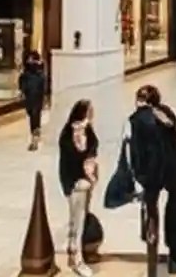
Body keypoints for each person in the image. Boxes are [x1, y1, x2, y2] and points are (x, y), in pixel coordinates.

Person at [129, 85, 176, 273]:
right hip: (172, 166)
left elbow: (135, 152)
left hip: (151, 171)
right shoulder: (166, 113)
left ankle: (152, 259)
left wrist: (138, 176)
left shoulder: (136, 120)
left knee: (151, 213)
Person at [58, 99, 99, 277]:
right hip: (75, 182)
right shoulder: (70, 133)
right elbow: (75, 155)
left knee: (81, 216)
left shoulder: (87, 130)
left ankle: (75, 254)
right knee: (77, 220)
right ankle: (76, 257)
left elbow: (93, 146)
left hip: (86, 181)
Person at [18, 51, 47, 151]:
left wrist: (44, 98)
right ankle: (35, 134)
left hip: (37, 98)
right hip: (29, 98)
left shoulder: (40, 74)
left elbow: (43, 87)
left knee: (35, 116)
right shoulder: (25, 75)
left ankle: (35, 138)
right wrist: (22, 92)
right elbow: (22, 85)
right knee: (32, 115)